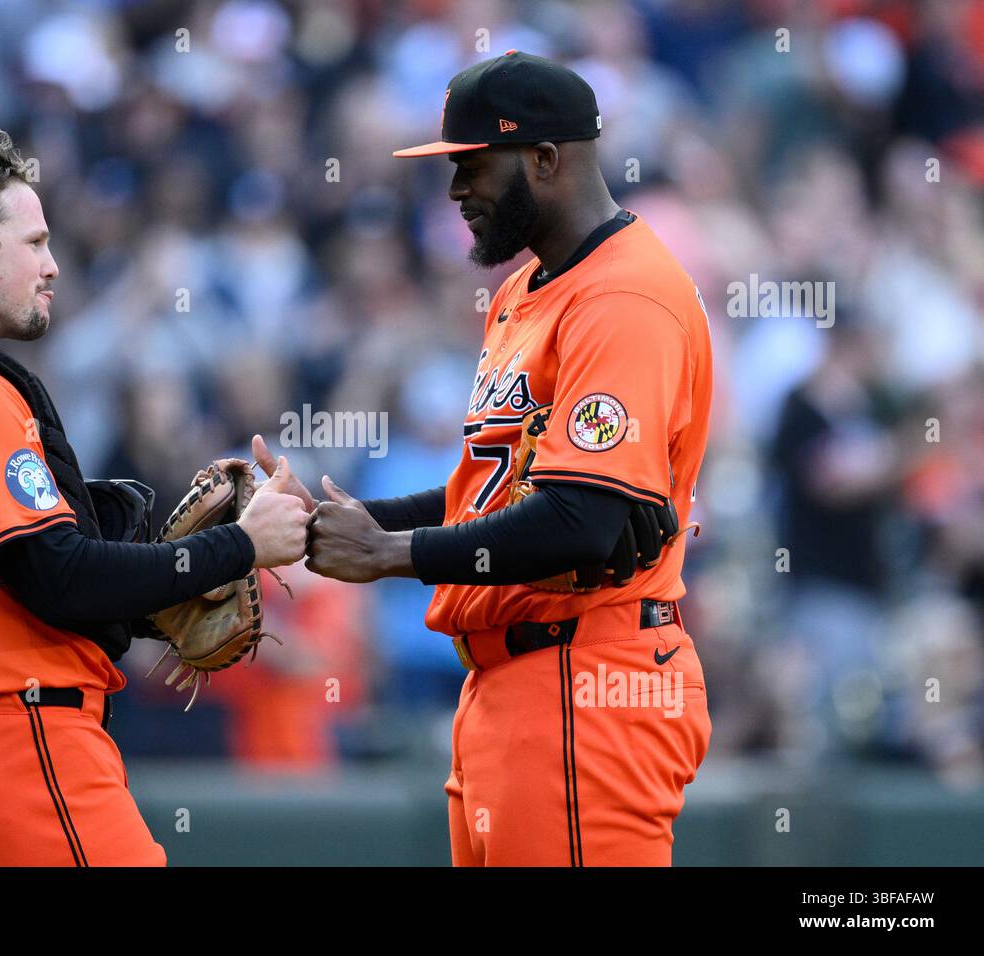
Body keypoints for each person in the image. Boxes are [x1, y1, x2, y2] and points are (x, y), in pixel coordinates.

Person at [271, 52, 715, 866]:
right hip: (513, 689)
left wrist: (390, 555)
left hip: (589, 684)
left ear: (545, 160)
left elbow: (582, 523)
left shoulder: (625, 299)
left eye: (473, 167)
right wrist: (341, 524)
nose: (455, 192)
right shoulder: (524, 292)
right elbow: (491, 494)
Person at [0, 126, 308, 866]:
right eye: (32, 242)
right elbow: (58, 575)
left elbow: (15, 581)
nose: (53, 265)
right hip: (15, 746)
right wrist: (239, 547)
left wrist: (165, 579)